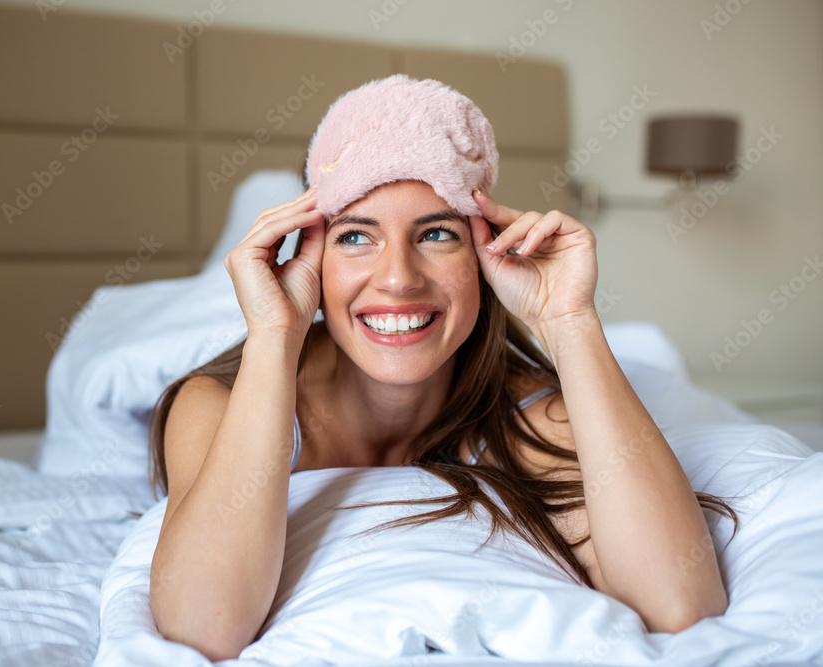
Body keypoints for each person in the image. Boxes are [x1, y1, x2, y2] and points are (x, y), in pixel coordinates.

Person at [147, 75, 736, 661]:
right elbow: (203, 626)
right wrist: (275, 334)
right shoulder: (214, 405)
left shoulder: (521, 415)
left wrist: (569, 320)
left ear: (483, 257)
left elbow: (678, 602)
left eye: (435, 234)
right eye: (356, 236)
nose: (400, 278)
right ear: (313, 257)